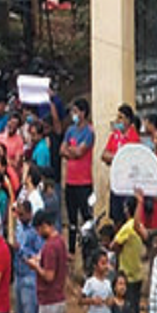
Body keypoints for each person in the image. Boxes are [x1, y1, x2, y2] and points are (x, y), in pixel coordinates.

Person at [110, 194, 147, 313]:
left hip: (128, 277)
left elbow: (114, 245)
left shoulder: (128, 227)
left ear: (127, 210)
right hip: (137, 274)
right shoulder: (139, 227)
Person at [12, 196, 43, 313]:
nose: (20, 217)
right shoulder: (18, 228)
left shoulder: (35, 231)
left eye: (22, 214)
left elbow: (39, 254)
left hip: (30, 277)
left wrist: (21, 250)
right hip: (19, 274)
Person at [60, 99, 94, 256]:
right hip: (70, 181)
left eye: (76, 111)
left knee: (86, 217)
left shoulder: (89, 132)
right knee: (71, 218)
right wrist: (72, 151)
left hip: (84, 182)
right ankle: (72, 250)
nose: (73, 115)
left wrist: (71, 150)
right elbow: (62, 150)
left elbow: (80, 152)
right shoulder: (70, 130)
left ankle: (88, 250)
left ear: (83, 113)